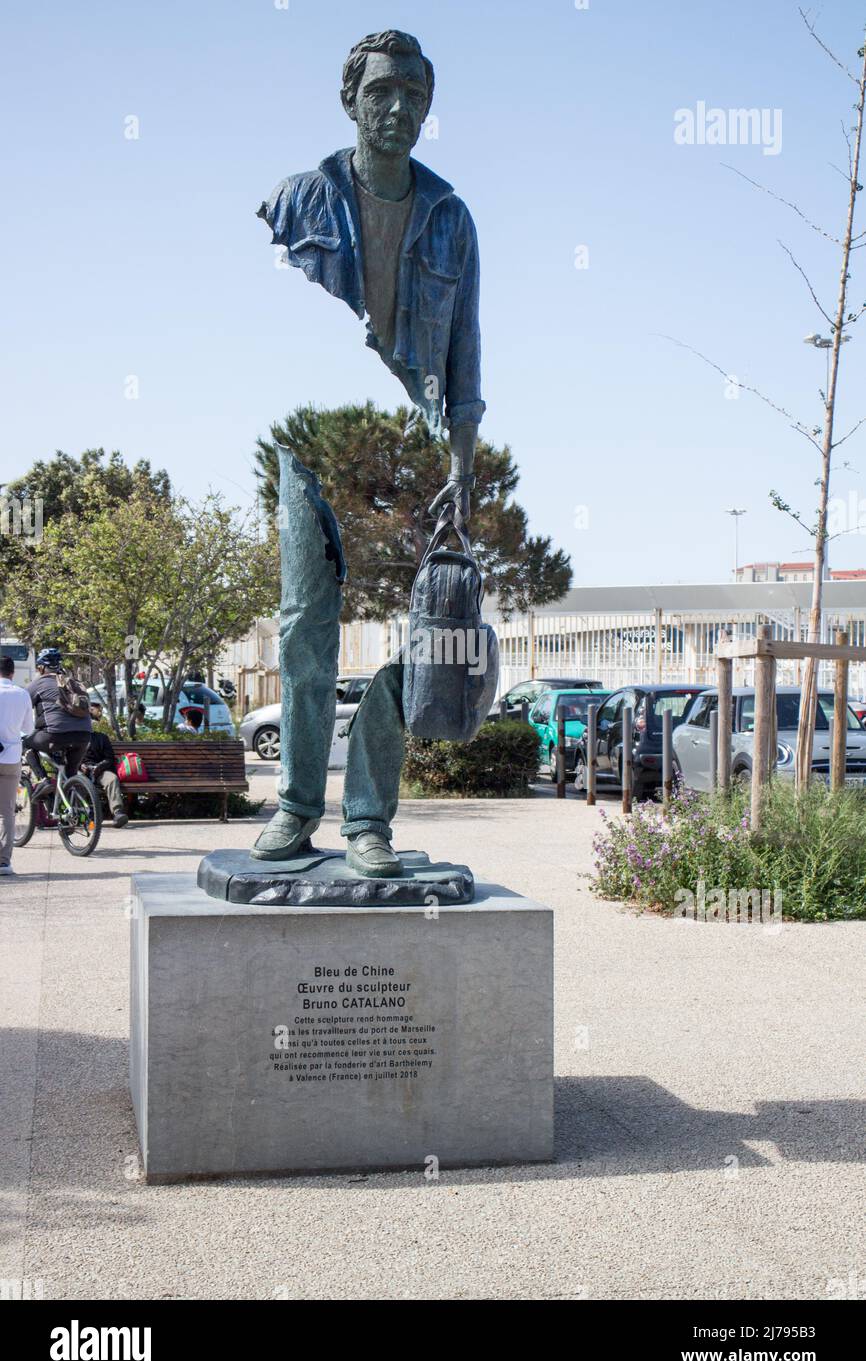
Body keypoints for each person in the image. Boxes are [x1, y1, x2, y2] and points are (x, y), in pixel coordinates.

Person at [254, 30, 483, 877]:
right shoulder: (298, 201)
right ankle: (295, 808)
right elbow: (263, 334)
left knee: (408, 642)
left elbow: (466, 353)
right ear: (350, 100)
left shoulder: (450, 218)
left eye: (414, 97)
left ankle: (368, 820)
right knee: (304, 627)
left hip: (413, 455)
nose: (398, 111)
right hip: (311, 451)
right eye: (382, 93)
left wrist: (461, 462)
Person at [23, 648, 92, 783]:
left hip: (54, 735)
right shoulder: (73, 682)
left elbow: (22, 705)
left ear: (42, 668)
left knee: (24, 744)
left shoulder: (39, 683)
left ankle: (43, 780)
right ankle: (74, 796)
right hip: (84, 735)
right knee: (70, 773)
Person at [0, 654, 35, 875]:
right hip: (11, 757)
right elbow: (28, 729)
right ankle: (4, 861)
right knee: (7, 811)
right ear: (13, 673)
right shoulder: (22, 694)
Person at [82, 701, 128, 827]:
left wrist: (99, 767)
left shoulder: (102, 738)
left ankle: (117, 813)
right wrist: (80, 766)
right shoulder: (76, 738)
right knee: (76, 782)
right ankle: (85, 815)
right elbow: (69, 758)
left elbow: (109, 759)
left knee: (112, 779)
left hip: (100, 770)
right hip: (81, 772)